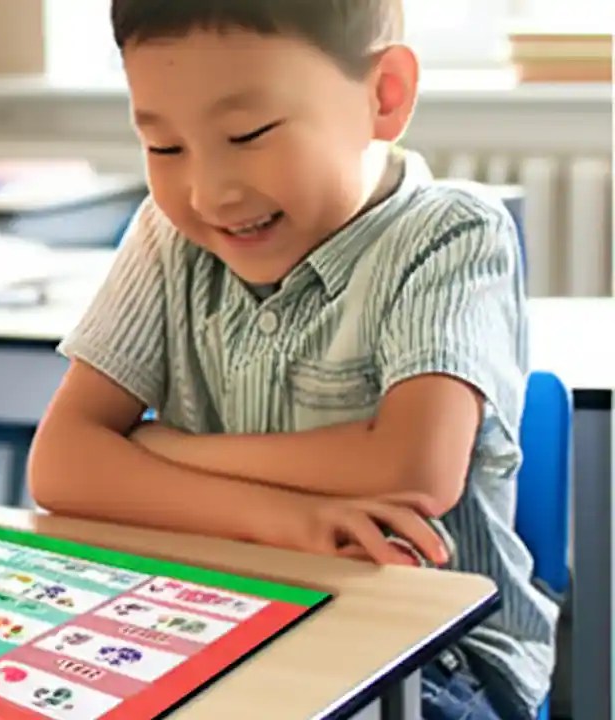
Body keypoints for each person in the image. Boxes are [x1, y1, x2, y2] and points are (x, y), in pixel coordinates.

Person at [27, 1, 557, 718]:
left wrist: (163, 448)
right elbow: (60, 464)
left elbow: (411, 470)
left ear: (383, 95)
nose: (209, 192)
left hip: (436, 658)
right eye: (164, 148)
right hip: (219, 621)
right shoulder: (167, 236)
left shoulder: (450, 230)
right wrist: (285, 520)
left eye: (249, 134)